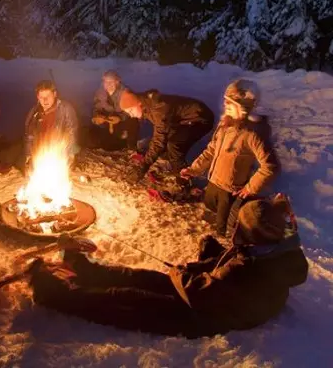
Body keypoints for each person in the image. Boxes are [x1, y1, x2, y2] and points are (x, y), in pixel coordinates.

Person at [29, 197, 308, 337]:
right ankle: (88, 270)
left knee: (127, 301)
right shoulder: (269, 246)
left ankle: (54, 294)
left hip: (208, 316)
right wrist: (208, 261)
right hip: (217, 294)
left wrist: (182, 273)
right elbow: (234, 262)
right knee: (143, 277)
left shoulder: (252, 268)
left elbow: (203, 294)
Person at [180, 79, 280, 236]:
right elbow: (212, 149)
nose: (225, 105)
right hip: (214, 180)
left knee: (223, 226)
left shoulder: (252, 134)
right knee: (209, 204)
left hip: (230, 190)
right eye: (225, 101)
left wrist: (250, 188)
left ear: (243, 107)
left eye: (230, 102)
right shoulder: (225, 124)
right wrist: (194, 169)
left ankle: (223, 245)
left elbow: (270, 166)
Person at [120, 89, 214, 180]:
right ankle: (168, 164)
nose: (131, 115)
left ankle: (182, 178)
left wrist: (143, 166)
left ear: (138, 103)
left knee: (174, 144)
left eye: (131, 111)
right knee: (166, 139)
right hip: (183, 120)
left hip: (200, 119)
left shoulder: (158, 109)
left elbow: (159, 140)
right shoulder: (147, 105)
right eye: (128, 113)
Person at [24, 80, 79, 170]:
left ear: (55, 94)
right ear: (37, 97)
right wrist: (28, 155)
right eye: (41, 97)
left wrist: (71, 154)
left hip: (59, 152)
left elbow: (72, 132)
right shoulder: (34, 112)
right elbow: (29, 136)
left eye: (48, 96)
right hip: (40, 153)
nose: (45, 100)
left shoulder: (65, 109)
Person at [89, 70, 139, 151]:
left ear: (117, 82)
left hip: (122, 122)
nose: (108, 85)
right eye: (106, 82)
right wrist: (97, 116)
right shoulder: (99, 93)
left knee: (133, 121)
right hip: (108, 122)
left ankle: (131, 146)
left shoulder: (125, 93)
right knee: (94, 131)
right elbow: (96, 108)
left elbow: (133, 111)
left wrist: (120, 117)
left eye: (111, 82)